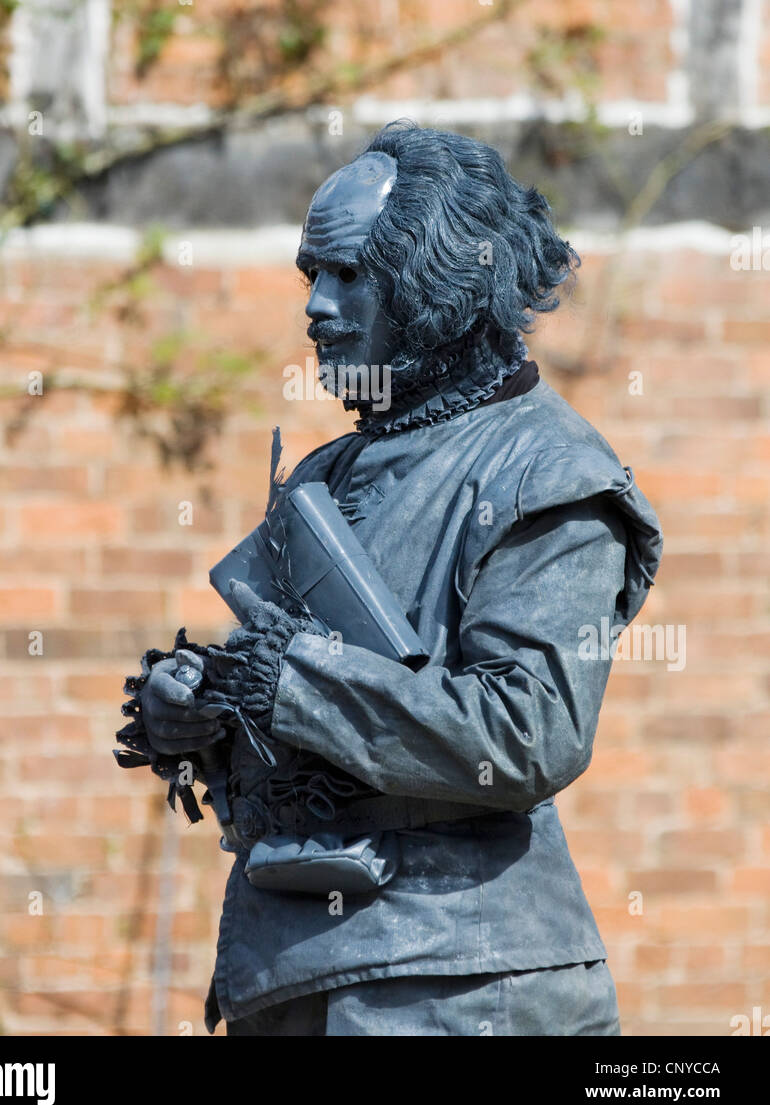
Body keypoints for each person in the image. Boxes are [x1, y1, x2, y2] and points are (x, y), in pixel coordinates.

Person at [117, 122, 662, 1037]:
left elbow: (529, 735)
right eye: (310, 277)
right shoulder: (328, 475)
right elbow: (307, 732)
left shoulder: (547, 471)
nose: (317, 307)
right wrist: (204, 714)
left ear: (437, 282)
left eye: (348, 275)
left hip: (458, 988)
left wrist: (286, 680)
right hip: (286, 975)